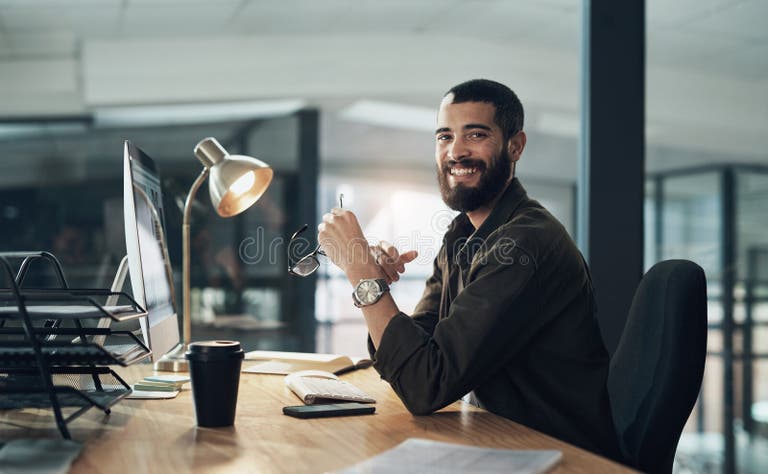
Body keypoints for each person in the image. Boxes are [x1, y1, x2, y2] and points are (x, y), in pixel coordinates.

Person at [317, 79, 622, 460]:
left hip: (564, 459)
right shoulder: (462, 235)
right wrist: (375, 282)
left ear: (515, 145)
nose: (456, 151)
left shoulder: (524, 243)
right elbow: (418, 354)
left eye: (475, 135)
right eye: (444, 137)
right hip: (503, 444)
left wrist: (361, 271)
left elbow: (424, 385)